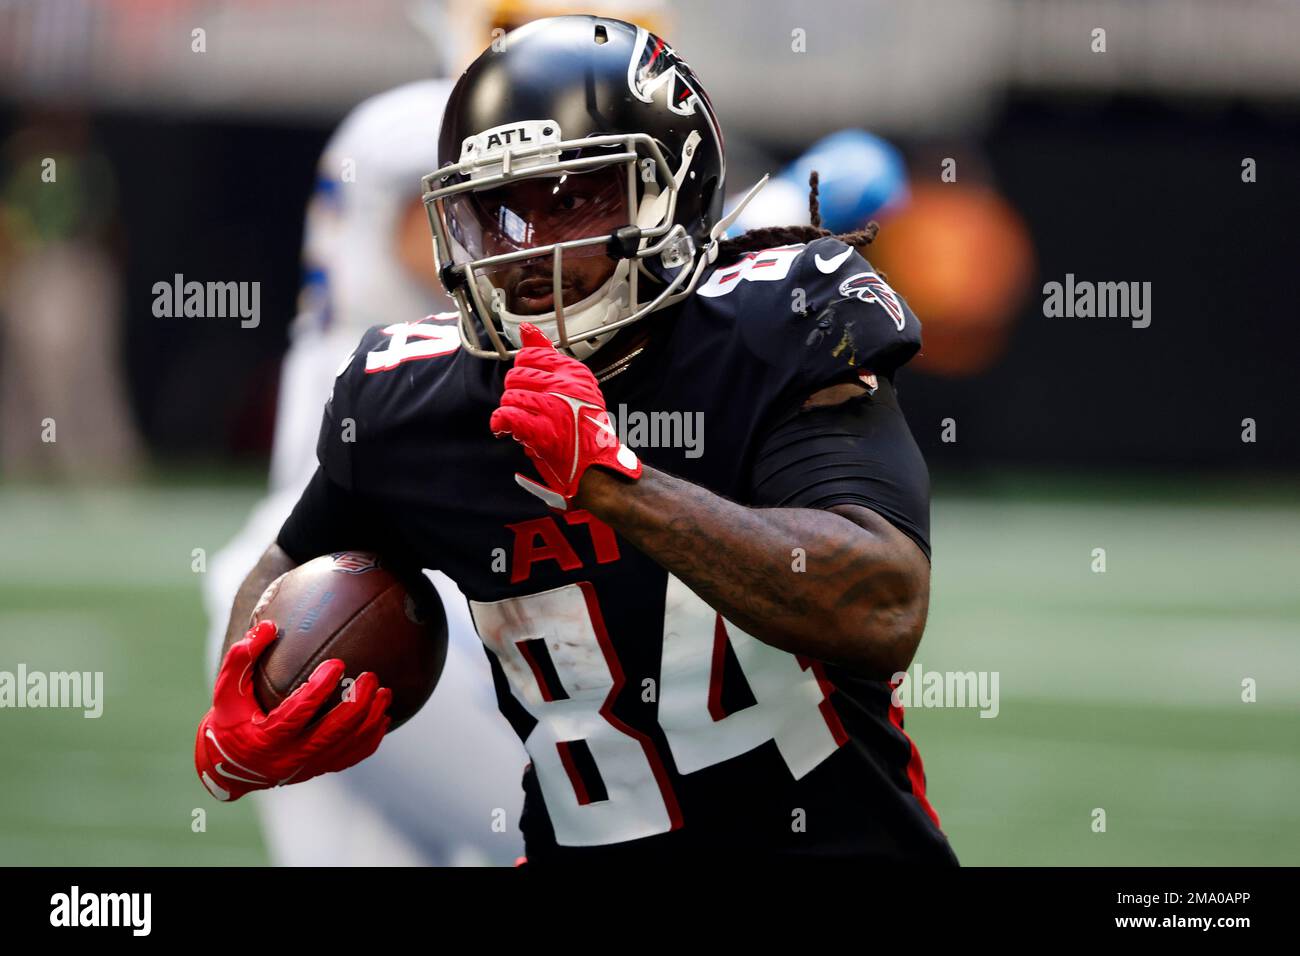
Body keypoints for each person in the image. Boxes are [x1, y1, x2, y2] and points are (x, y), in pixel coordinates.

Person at [198, 15, 956, 864]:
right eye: (497, 212)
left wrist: (614, 483)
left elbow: (883, 602)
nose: (527, 251)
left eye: (572, 200)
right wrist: (241, 707)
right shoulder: (412, 401)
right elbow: (281, 566)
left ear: (671, 192)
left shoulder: (777, 328)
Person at [200, 80, 528, 867]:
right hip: (369, 555)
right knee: (542, 821)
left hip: (334, 540)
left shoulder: (396, 114)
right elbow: (459, 261)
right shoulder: (430, 126)